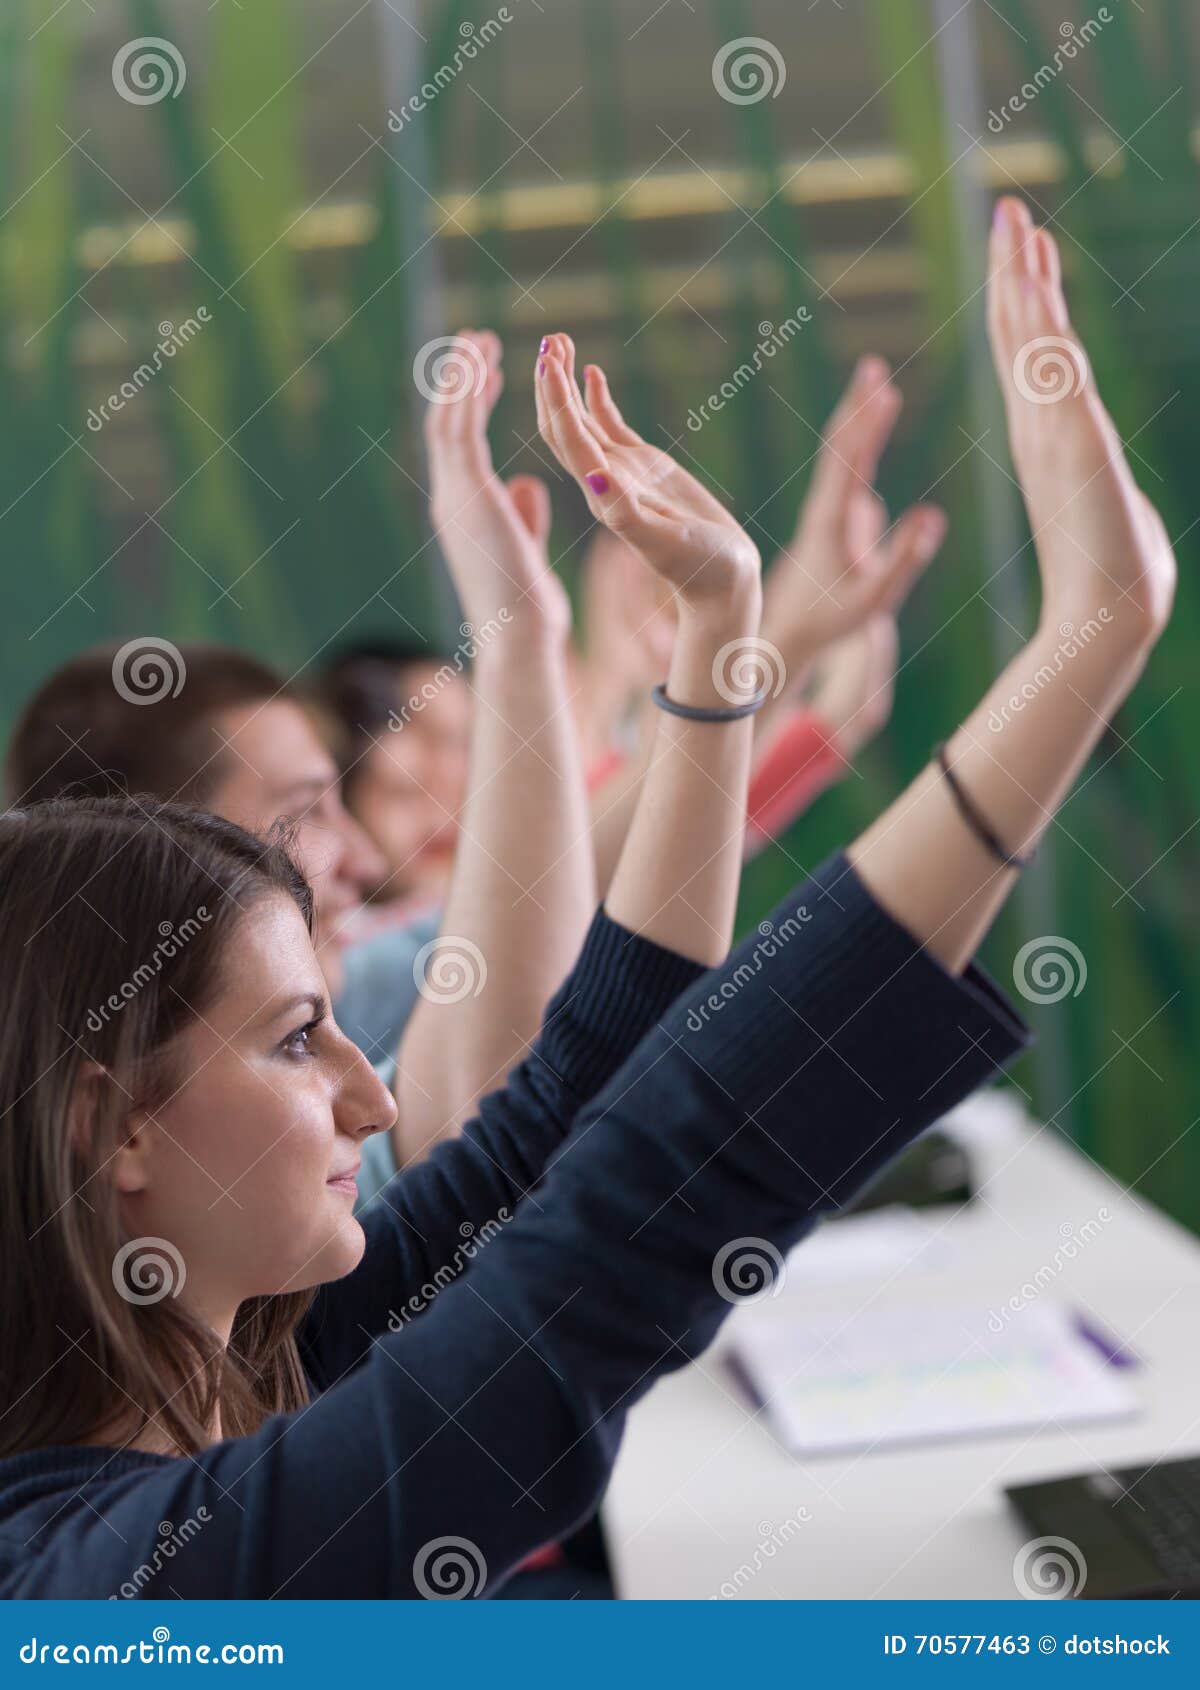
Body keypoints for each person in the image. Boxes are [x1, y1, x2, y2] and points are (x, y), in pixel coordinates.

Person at [0, 202, 1175, 1598]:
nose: (370, 1098)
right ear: (107, 1124)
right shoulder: (110, 1587)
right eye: (295, 1036)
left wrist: (721, 635)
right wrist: (1085, 636)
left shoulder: (250, 1360)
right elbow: (622, 1224)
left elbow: (581, 1101)